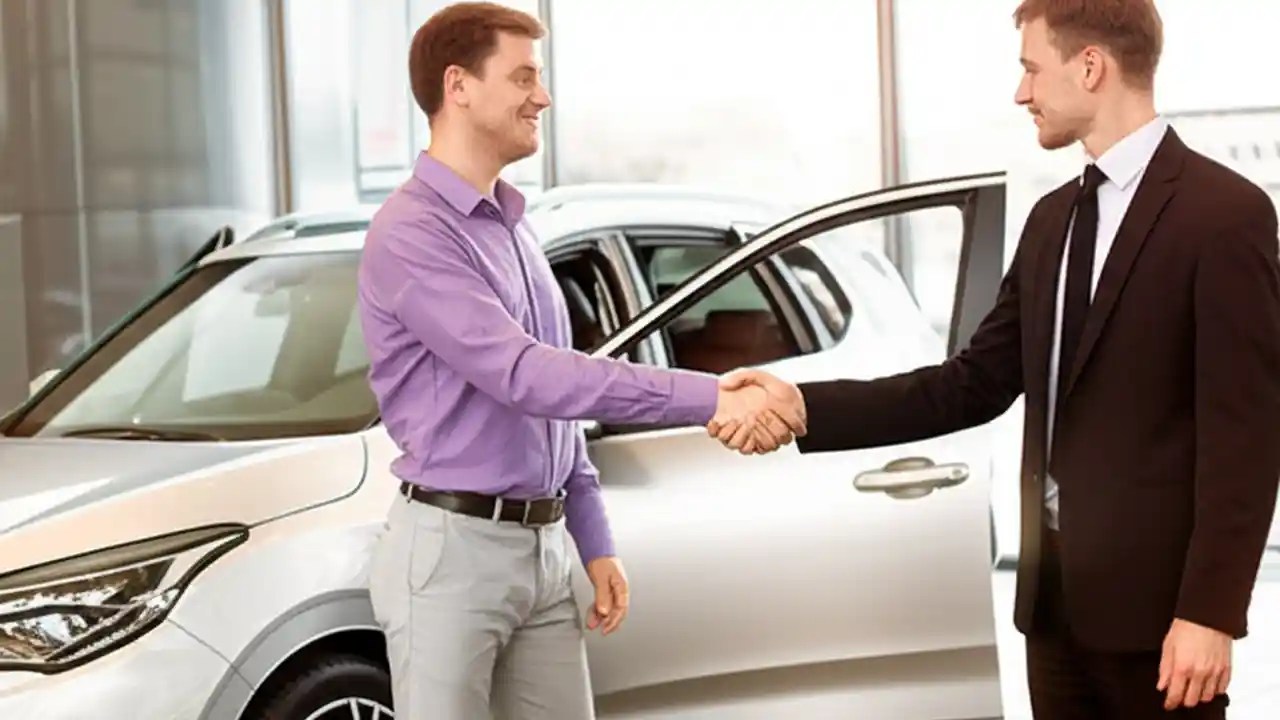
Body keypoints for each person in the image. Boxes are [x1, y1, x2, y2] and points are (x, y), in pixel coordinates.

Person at [713, 1, 1280, 717]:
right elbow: (971, 384)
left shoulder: (1225, 215)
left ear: (1092, 66)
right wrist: (804, 404)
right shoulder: (1052, 222)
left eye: (1031, 69)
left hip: (1162, 626)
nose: (1021, 93)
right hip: (1052, 613)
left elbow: (1247, 438)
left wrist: (1212, 613)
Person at [355, 3, 802, 718]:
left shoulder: (515, 230)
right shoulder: (412, 234)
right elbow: (527, 376)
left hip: (543, 548)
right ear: (458, 86)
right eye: (524, 76)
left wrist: (591, 536)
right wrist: (711, 396)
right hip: (452, 554)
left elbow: (558, 401)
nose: (544, 96)